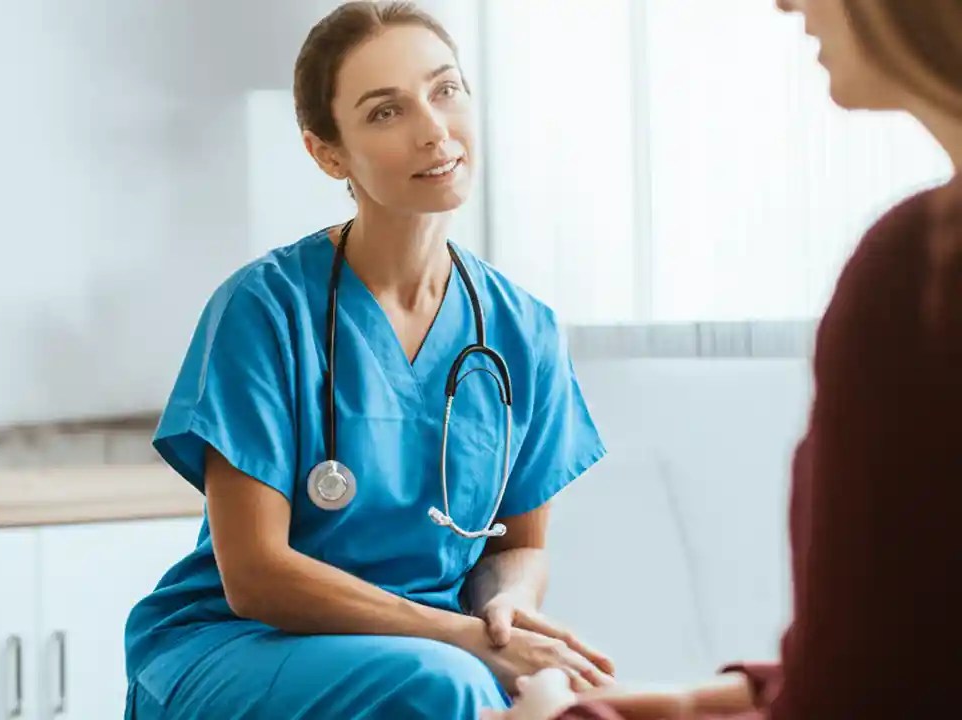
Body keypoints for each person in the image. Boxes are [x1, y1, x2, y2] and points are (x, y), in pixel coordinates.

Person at [122, 1, 616, 717]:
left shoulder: (522, 328)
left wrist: (506, 612)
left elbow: (516, 544)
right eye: (386, 113)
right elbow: (256, 576)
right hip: (238, 642)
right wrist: (465, 640)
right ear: (328, 153)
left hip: (430, 649)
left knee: (566, 695)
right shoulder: (266, 309)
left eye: (445, 91)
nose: (434, 130)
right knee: (449, 685)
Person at [492, 0, 962, 718]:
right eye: (384, 111)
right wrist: (710, 697)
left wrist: (559, 715)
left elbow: (868, 688)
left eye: (447, 93)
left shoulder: (919, 273)